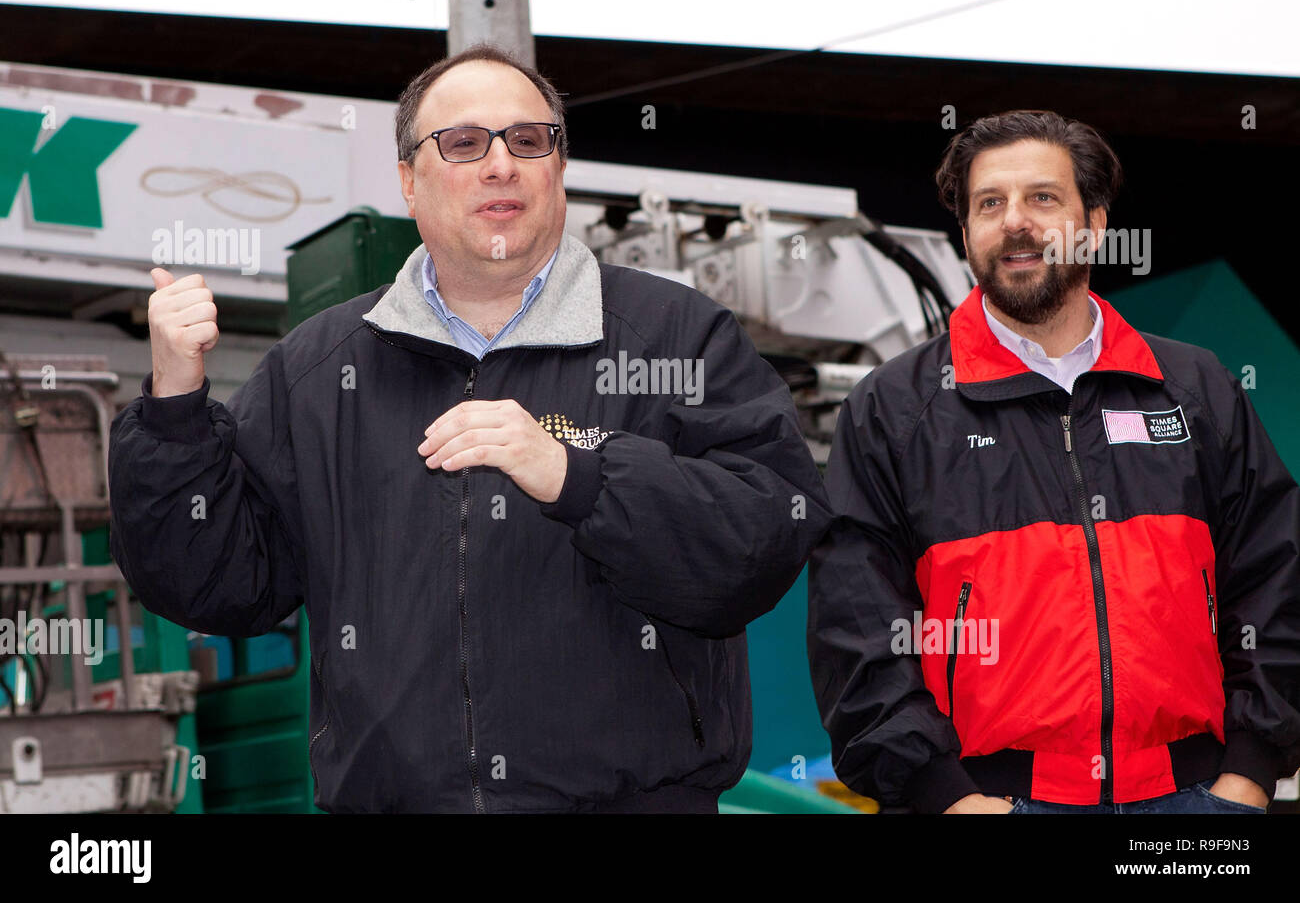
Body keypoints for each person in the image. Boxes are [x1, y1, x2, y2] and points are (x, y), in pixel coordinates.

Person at [109, 43, 831, 813]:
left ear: (559, 167)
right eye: (463, 143)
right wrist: (177, 402)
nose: (500, 165)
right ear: (408, 182)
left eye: (528, 140)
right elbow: (221, 587)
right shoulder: (317, 371)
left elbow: (768, 534)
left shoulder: (677, 336)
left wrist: (580, 475)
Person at [807, 109, 1300, 814]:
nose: (1015, 222)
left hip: (1194, 801)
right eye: (990, 204)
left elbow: (1276, 580)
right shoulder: (893, 409)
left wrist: (1248, 776)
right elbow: (856, 629)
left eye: (1042, 198)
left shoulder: (1195, 387)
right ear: (968, 232)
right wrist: (943, 796)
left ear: (1095, 223)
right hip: (985, 802)